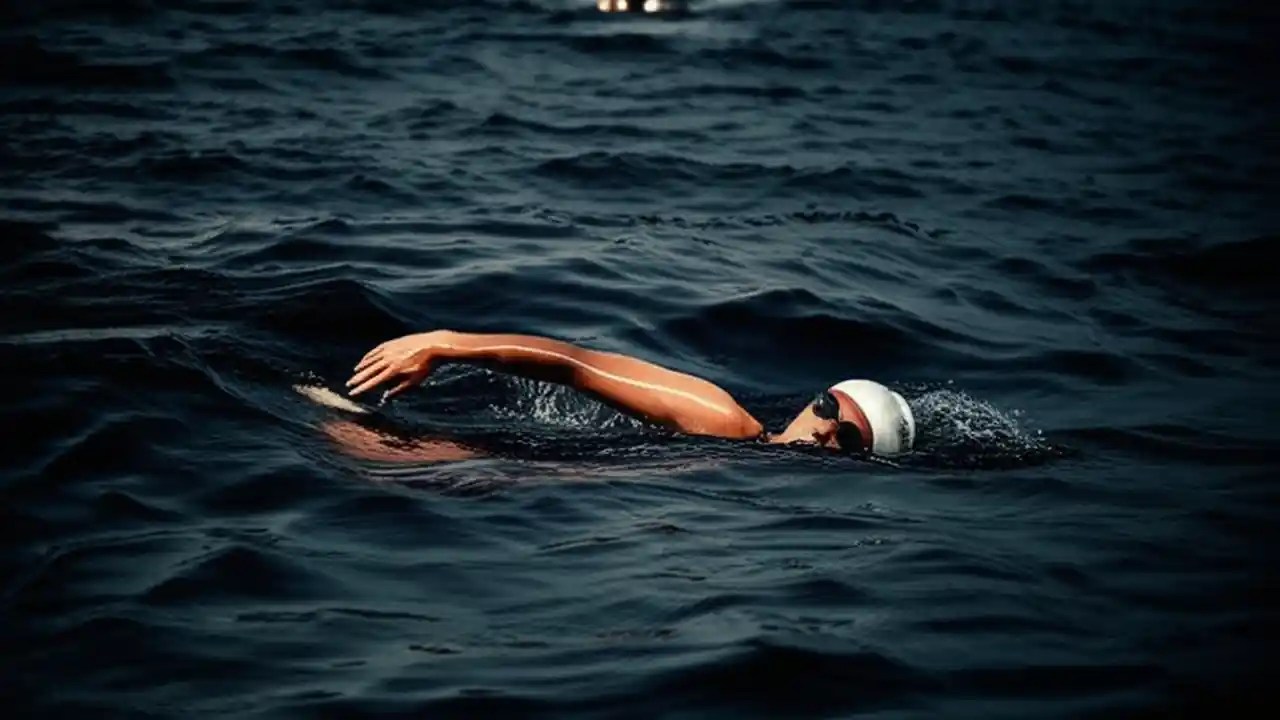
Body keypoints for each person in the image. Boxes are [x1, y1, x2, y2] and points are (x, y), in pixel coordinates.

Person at [330, 329, 914, 462]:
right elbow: (578, 365)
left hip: (536, 508)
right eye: (829, 409)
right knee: (340, 432)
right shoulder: (723, 422)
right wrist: (446, 345)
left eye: (848, 440)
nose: (823, 430)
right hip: (512, 476)